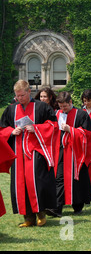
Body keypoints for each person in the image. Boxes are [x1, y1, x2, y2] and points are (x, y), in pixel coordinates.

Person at [0, 80, 58, 227]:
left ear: (29, 92)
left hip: (36, 150)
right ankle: (28, 218)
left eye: (22, 95)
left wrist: (36, 128)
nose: (19, 98)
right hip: (18, 152)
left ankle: (41, 214)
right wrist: (11, 132)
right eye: (17, 96)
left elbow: (53, 125)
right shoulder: (11, 109)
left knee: (37, 182)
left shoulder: (42, 107)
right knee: (21, 184)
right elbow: (2, 129)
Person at [46, 91, 91, 217]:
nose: (62, 109)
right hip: (60, 151)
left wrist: (71, 130)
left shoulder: (81, 114)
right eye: (60, 106)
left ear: (70, 102)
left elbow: (87, 134)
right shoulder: (56, 114)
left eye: (65, 106)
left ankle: (77, 206)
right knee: (59, 178)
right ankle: (57, 208)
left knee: (76, 179)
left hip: (75, 152)